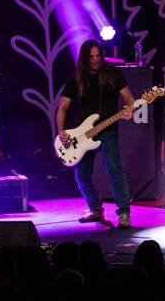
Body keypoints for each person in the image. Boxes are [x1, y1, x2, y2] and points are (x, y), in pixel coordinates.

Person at [56, 39, 135, 228]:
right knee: (81, 174)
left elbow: (130, 101)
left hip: (108, 130)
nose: (95, 59)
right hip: (83, 134)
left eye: (98, 55)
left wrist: (130, 110)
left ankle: (123, 213)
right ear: (84, 57)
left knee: (115, 170)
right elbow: (63, 107)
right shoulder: (76, 79)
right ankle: (95, 209)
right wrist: (61, 131)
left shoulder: (113, 75)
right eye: (91, 56)